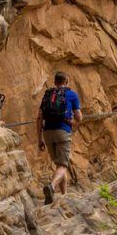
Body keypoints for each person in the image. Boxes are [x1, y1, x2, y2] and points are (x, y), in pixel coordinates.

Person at [36, 71, 82, 204]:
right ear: (66, 82)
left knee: (59, 166)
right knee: (63, 165)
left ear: (55, 82)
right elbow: (79, 117)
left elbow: (39, 118)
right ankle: (51, 187)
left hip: (47, 133)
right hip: (63, 131)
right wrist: (75, 123)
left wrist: (40, 139)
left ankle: (64, 195)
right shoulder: (71, 94)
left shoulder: (47, 95)